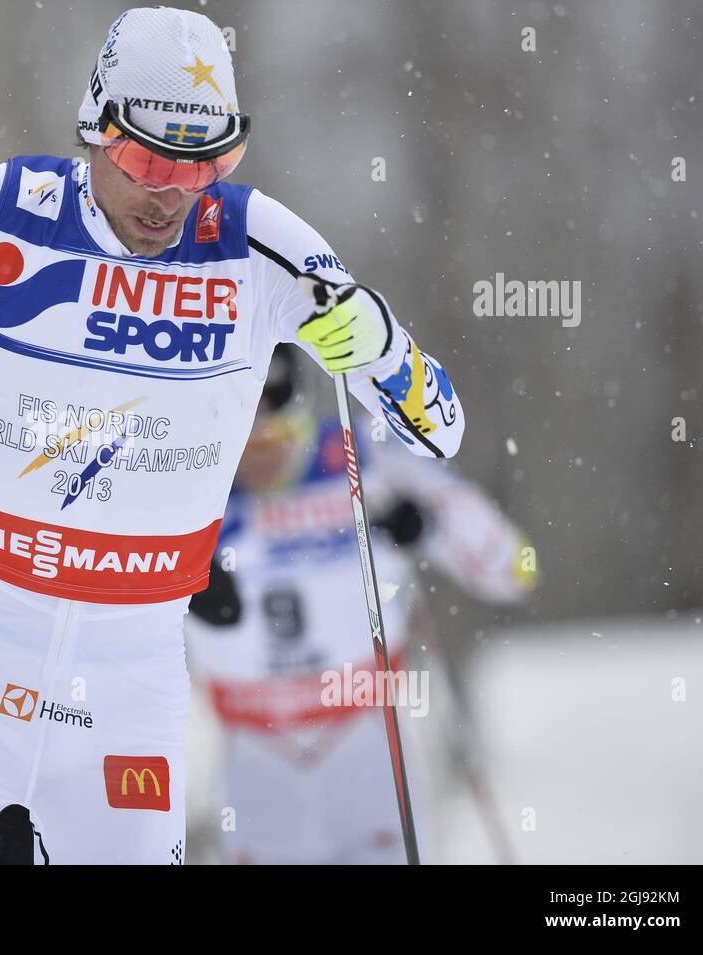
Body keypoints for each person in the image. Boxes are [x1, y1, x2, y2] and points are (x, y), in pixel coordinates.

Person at [0, 7, 465, 864]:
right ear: (96, 130)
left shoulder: (262, 246)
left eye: (206, 164)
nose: (172, 193)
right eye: (149, 160)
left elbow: (440, 429)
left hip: (129, 674)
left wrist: (382, 349)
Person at [185, 346, 536, 863]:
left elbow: (517, 569)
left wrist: (430, 526)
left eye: (276, 436)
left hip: (364, 746)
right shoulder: (189, 489)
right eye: (242, 441)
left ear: (301, 419)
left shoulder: (363, 458)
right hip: (254, 759)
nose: (259, 457)